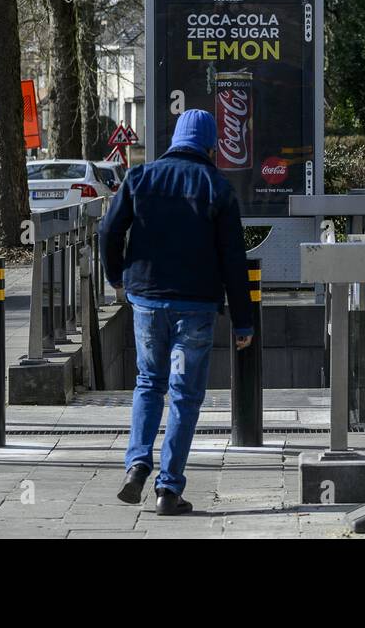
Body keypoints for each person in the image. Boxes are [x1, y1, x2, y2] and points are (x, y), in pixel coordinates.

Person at [101, 109, 254, 516]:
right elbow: (234, 259)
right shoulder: (217, 188)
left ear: (175, 140)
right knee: (185, 396)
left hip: (147, 302)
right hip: (197, 308)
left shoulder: (140, 178)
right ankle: (169, 490)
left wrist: (118, 276)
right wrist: (243, 319)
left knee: (149, 383)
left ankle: (136, 465)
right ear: (210, 145)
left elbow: (108, 231)